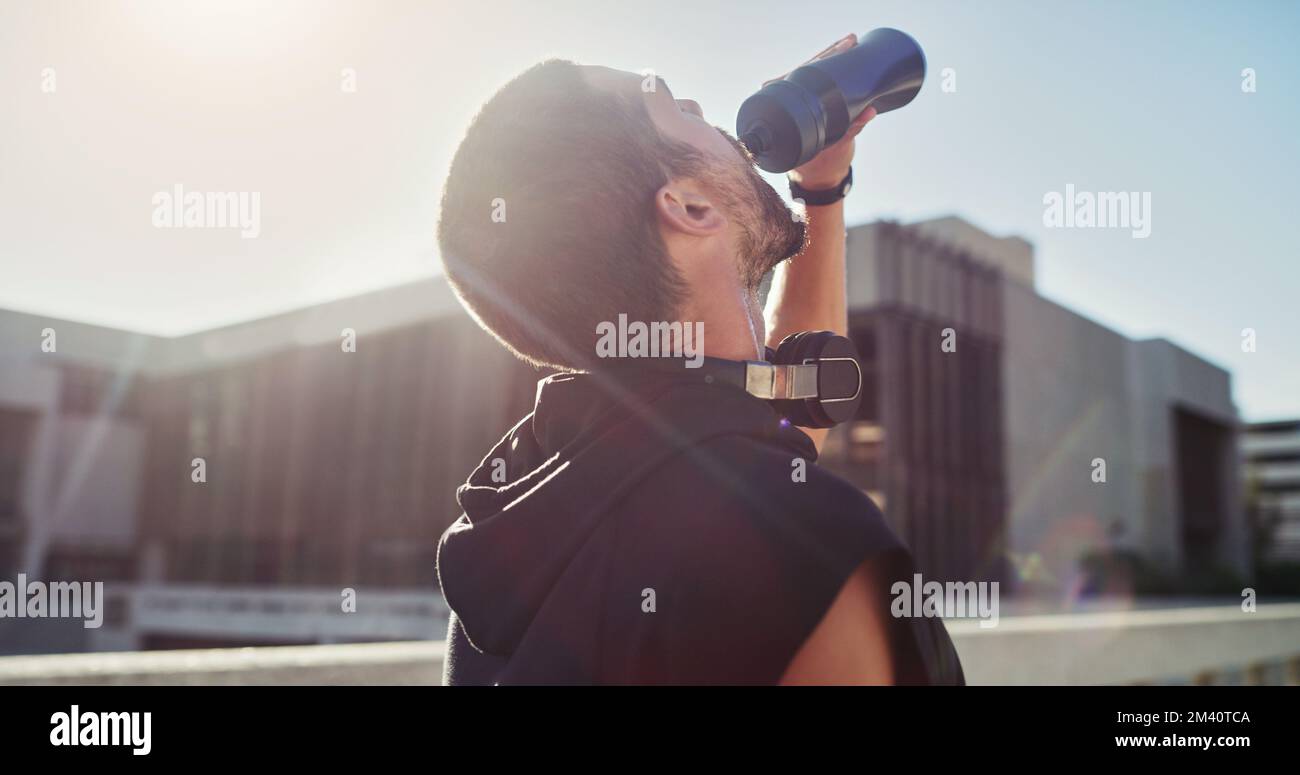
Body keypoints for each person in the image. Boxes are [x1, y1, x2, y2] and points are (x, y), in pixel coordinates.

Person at [434, 34, 964, 685]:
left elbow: (766, 424)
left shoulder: (512, 519)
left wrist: (820, 192)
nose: (708, 113)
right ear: (687, 207)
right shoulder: (811, 550)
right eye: (676, 104)